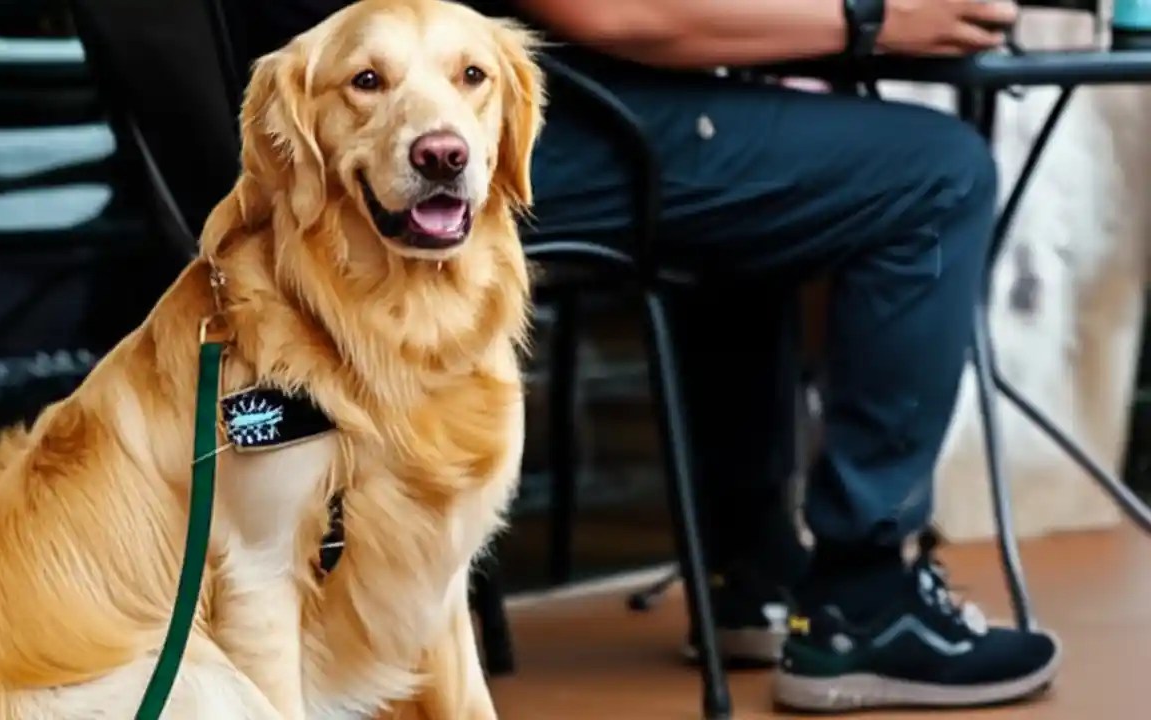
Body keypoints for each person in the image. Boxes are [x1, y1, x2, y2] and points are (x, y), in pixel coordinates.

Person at [232, 0, 1060, 711]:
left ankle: (756, 568)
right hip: (420, 136)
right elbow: (614, 12)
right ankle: (867, 600)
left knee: (774, 168)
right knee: (935, 173)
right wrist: (876, 18)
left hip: (348, 116)